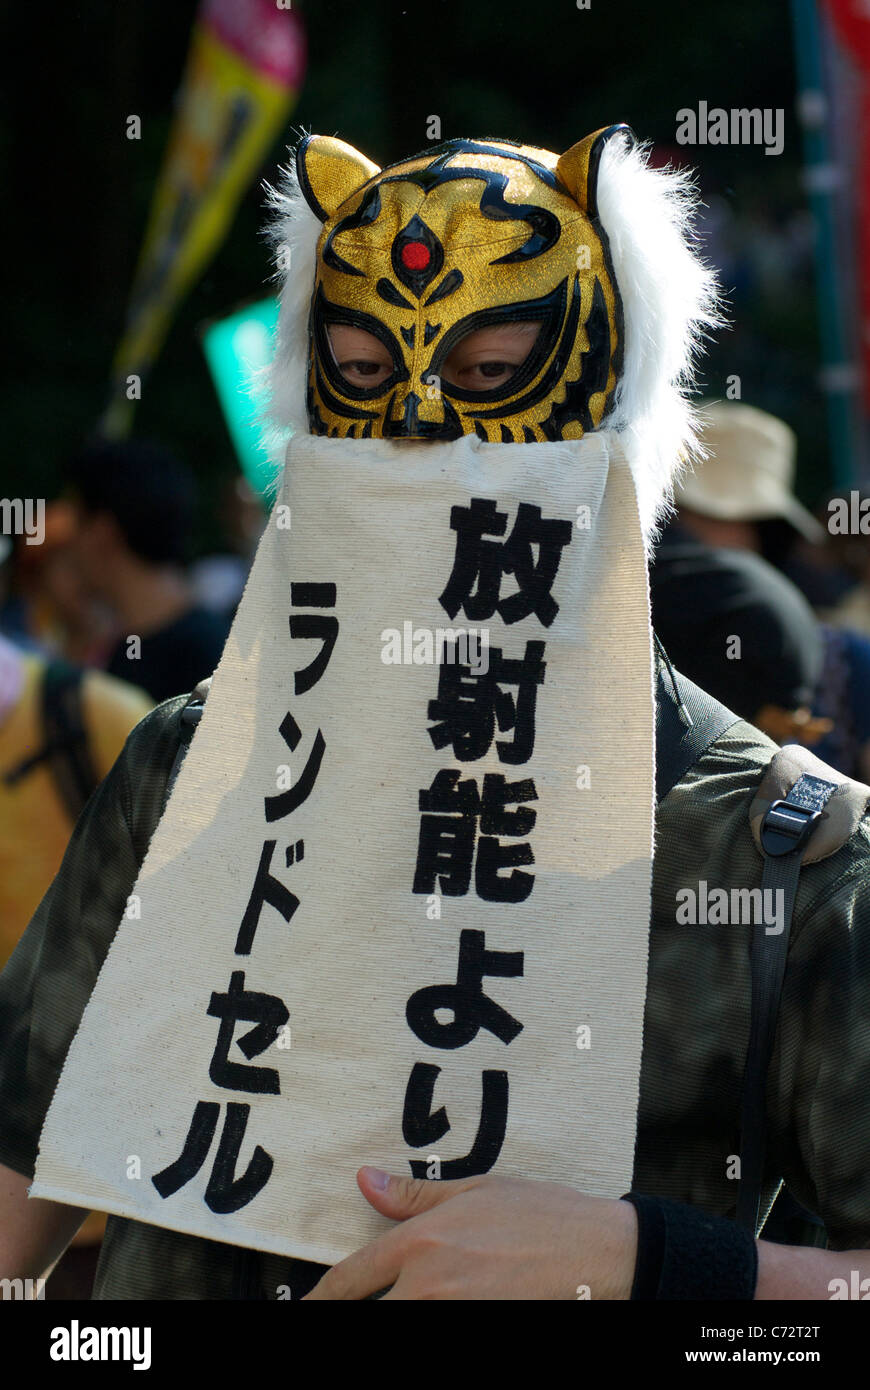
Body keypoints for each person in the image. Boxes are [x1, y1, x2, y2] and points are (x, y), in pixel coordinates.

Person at [2, 127, 870, 1302]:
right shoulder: (188, 771)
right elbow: (21, 1172)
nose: (418, 433)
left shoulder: (780, 852)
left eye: (488, 371)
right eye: (360, 377)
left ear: (609, 411)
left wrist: (651, 1262)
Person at [62, 438, 231, 704]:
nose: (68, 542)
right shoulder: (120, 654)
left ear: (102, 533)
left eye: (75, 522)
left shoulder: (213, 660)